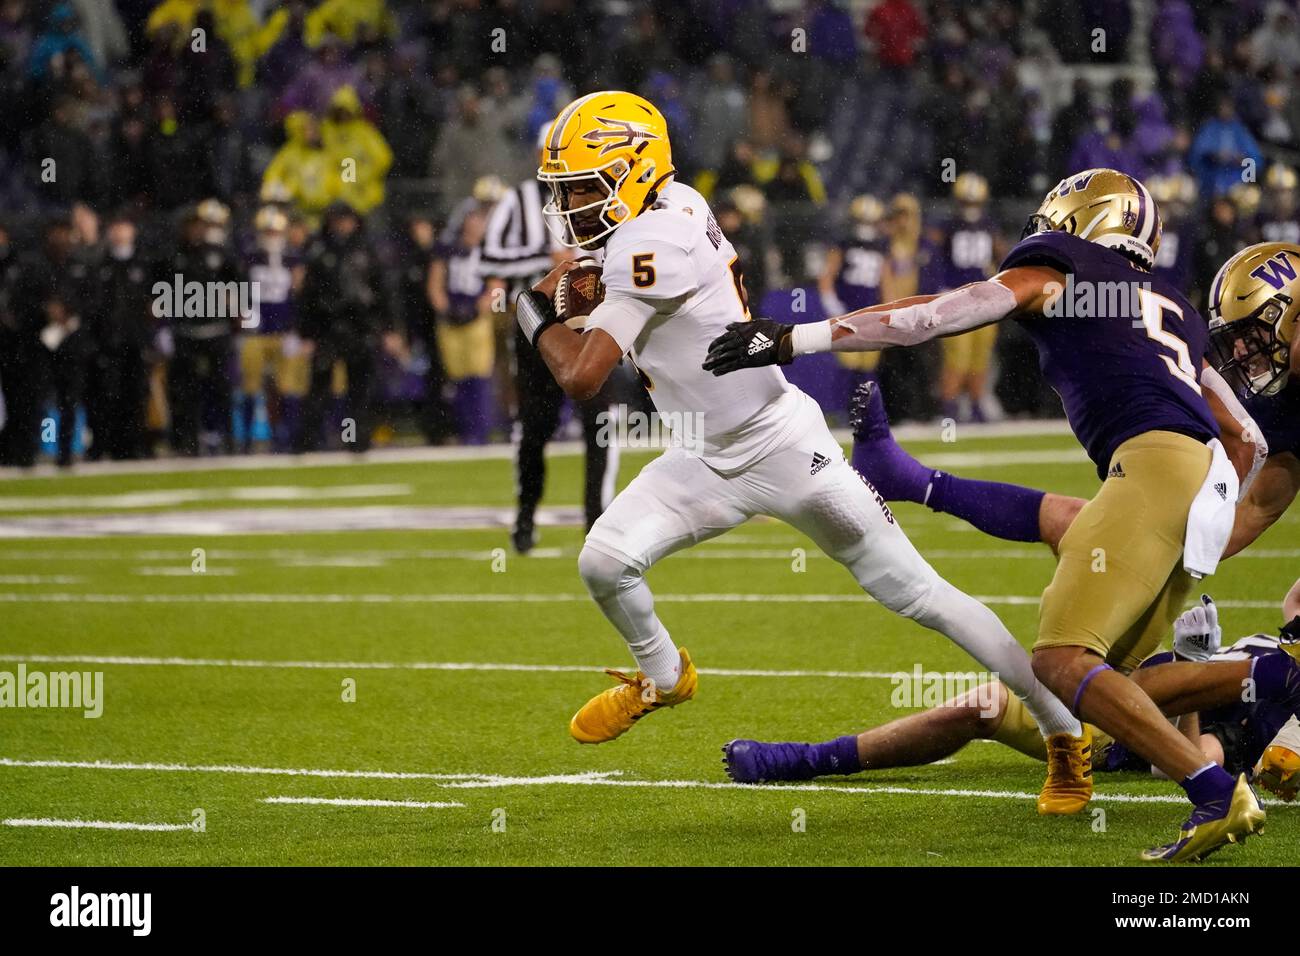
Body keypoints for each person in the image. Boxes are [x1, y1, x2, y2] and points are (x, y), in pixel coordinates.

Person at [517, 91, 1087, 817]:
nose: (567, 203)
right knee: (602, 560)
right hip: (699, 453)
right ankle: (663, 674)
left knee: (921, 596)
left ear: (634, 171)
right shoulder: (671, 206)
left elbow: (582, 376)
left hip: (782, 444)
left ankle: (1064, 733)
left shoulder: (647, 243)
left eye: (579, 186)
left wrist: (533, 313)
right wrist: (584, 291)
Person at [705, 168, 1267, 862]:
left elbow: (941, 313)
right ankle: (803, 760)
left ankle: (1214, 790)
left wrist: (795, 339)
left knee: (1060, 662)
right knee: (1052, 697)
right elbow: (1245, 435)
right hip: (1191, 482)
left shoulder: (1065, 264)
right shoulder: (1170, 302)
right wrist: (1213, 506)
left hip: (1150, 470)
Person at [725, 586, 1300, 810]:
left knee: (979, 706)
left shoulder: (1282, 709)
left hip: (1123, 728)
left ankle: (800, 759)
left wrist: (1193, 666)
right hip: (1117, 681)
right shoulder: (1284, 650)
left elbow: (1183, 760)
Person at [480, 170, 618, 553]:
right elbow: (486, 258)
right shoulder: (518, 200)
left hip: (592, 322)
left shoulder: (609, 198)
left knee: (600, 422)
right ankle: (525, 517)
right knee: (535, 425)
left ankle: (596, 524)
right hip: (536, 322)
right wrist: (548, 257)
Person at [297, 202, 386, 454]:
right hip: (327, 327)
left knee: (359, 389)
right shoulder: (318, 251)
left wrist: (386, 327)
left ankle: (357, 442)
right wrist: (306, 333)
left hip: (359, 326)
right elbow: (308, 296)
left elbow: (382, 291)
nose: (342, 226)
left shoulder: (367, 250)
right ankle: (308, 442)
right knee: (319, 388)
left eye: (346, 220)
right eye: (337, 220)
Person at [239, 205, 306, 453]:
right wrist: (244, 320)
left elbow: (299, 294)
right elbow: (236, 293)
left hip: (284, 330)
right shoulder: (249, 258)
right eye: (268, 231)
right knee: (251, 385)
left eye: (276, 231)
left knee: (288, 385)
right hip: (255, 330)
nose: (272, 236)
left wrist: (296, 328)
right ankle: (246, 439)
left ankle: (287, 437)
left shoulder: (293, 259)